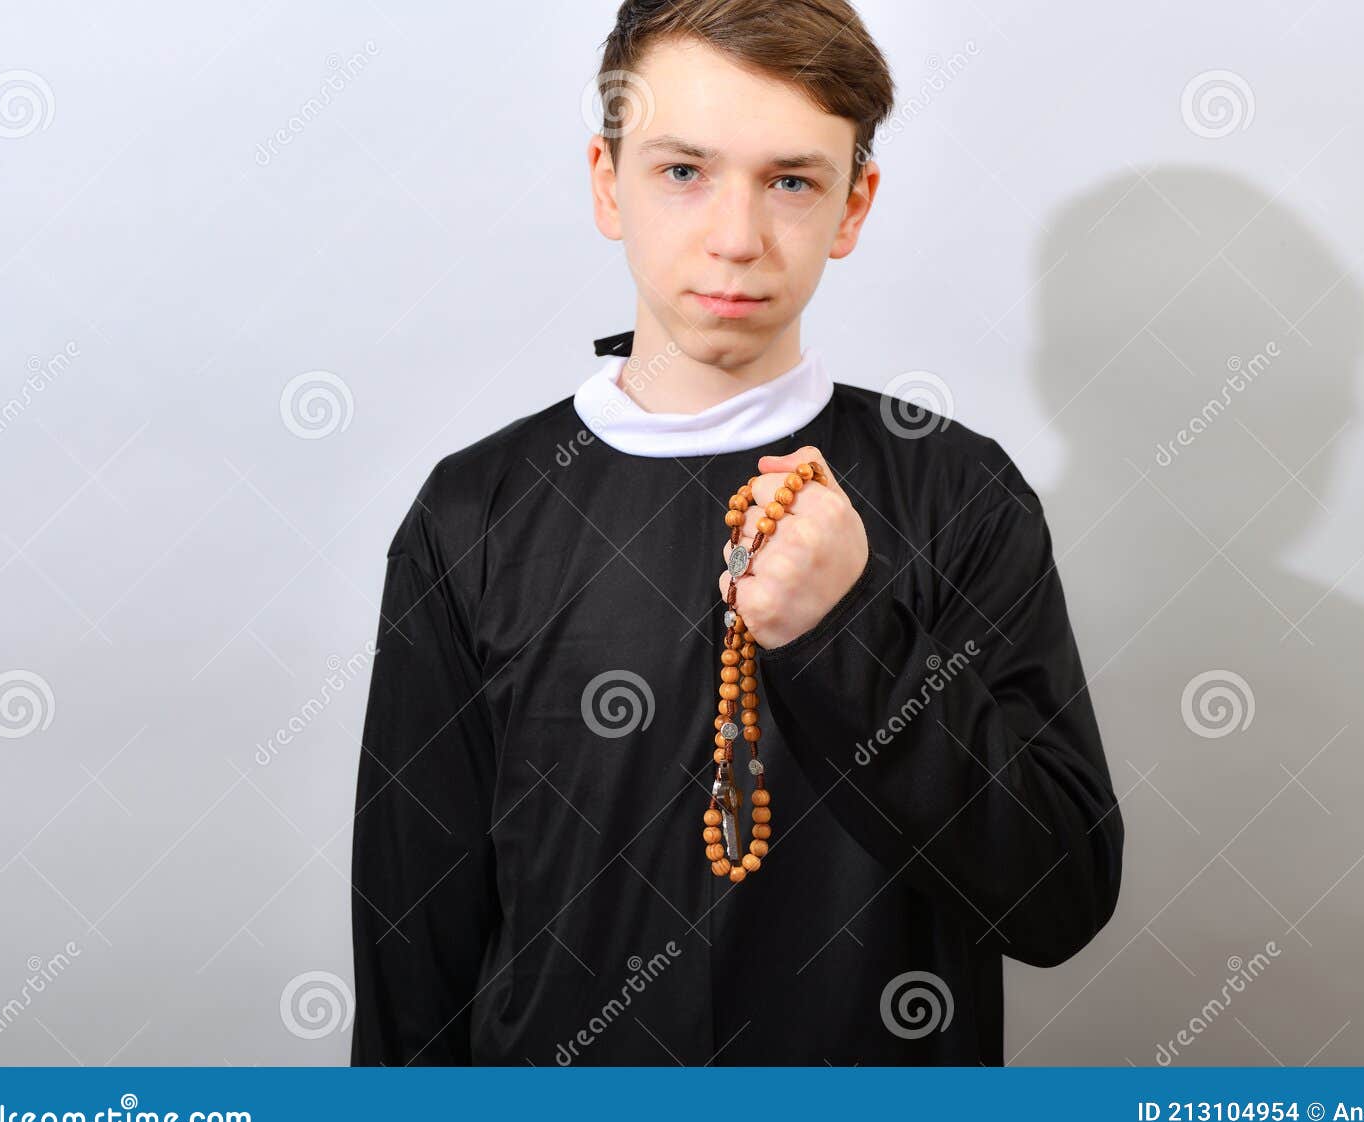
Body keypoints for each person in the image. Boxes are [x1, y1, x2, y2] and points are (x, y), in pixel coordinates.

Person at [350, 0, 1123, 1066]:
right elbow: (412, 949)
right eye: (683, 171)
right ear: (604, 181)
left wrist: (851, 632)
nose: (736, 237)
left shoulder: (959, 493)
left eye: (792, 181)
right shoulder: (473, 512)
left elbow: (1059, 897)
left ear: (853, 207)